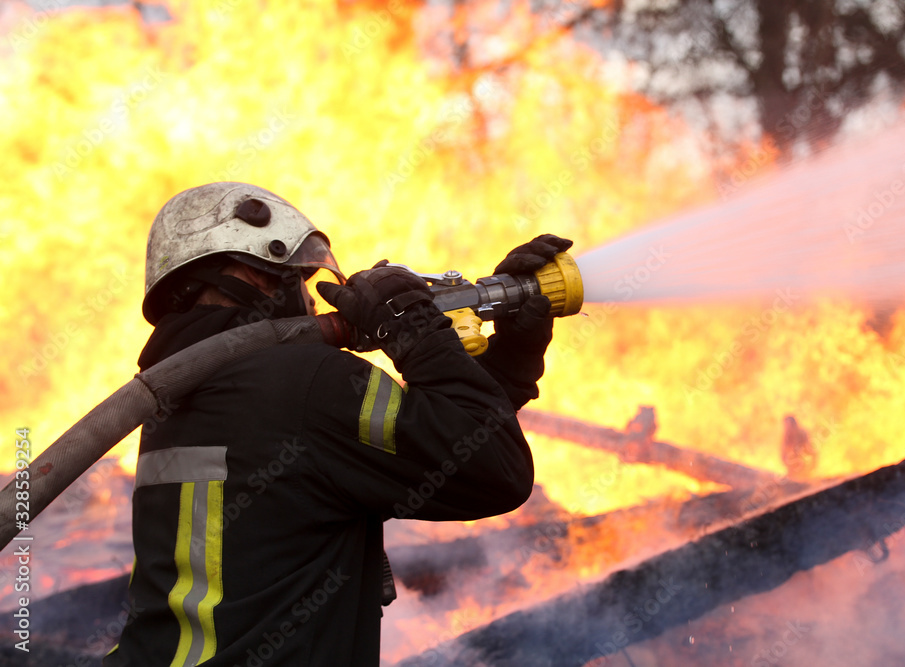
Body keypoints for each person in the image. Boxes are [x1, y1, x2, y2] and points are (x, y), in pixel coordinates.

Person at [104, 181, 572, 666]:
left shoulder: (175, 396)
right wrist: (414, 332)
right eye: (299, 281)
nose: (312, 302)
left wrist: (509, 364)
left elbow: (420, 455)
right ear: (249, 273)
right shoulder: (304, 381)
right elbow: (492, 470)